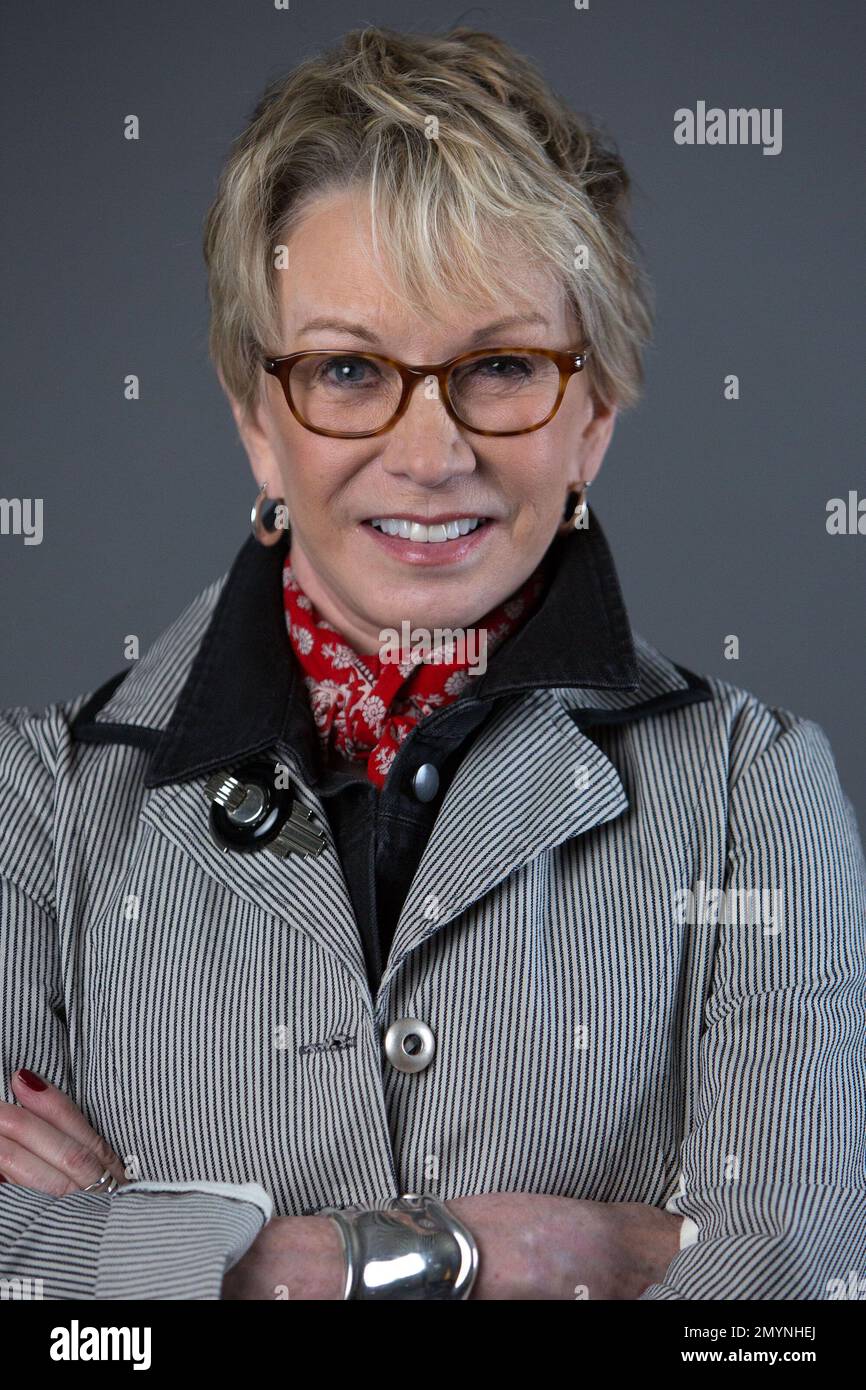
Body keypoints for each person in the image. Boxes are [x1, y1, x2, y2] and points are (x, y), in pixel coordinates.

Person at [0, 25, 863, 1302]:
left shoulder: (755, 793)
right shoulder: (35, 804)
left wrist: (151, 1257)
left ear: (593, 417)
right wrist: (521, 1256)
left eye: (500, 368)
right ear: (255, 417)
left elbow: (784, 1319)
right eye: (349, 370)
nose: (428, 451)